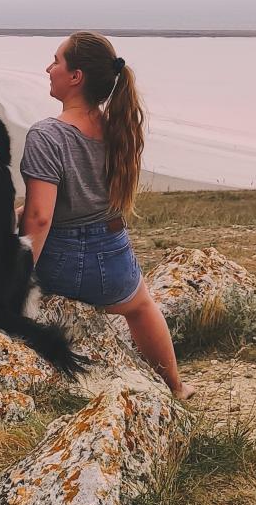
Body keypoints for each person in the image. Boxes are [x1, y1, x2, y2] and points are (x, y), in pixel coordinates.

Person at [18, 32, 189, 398]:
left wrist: (17, 281)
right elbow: (80, 202)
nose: (48, 69)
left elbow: (40, 219)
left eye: (56, 61)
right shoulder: (119, 127)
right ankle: (176, 387)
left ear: (75, 76)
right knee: (141, 306)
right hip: (113, 261)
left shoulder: (47, 135)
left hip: (61, 266)